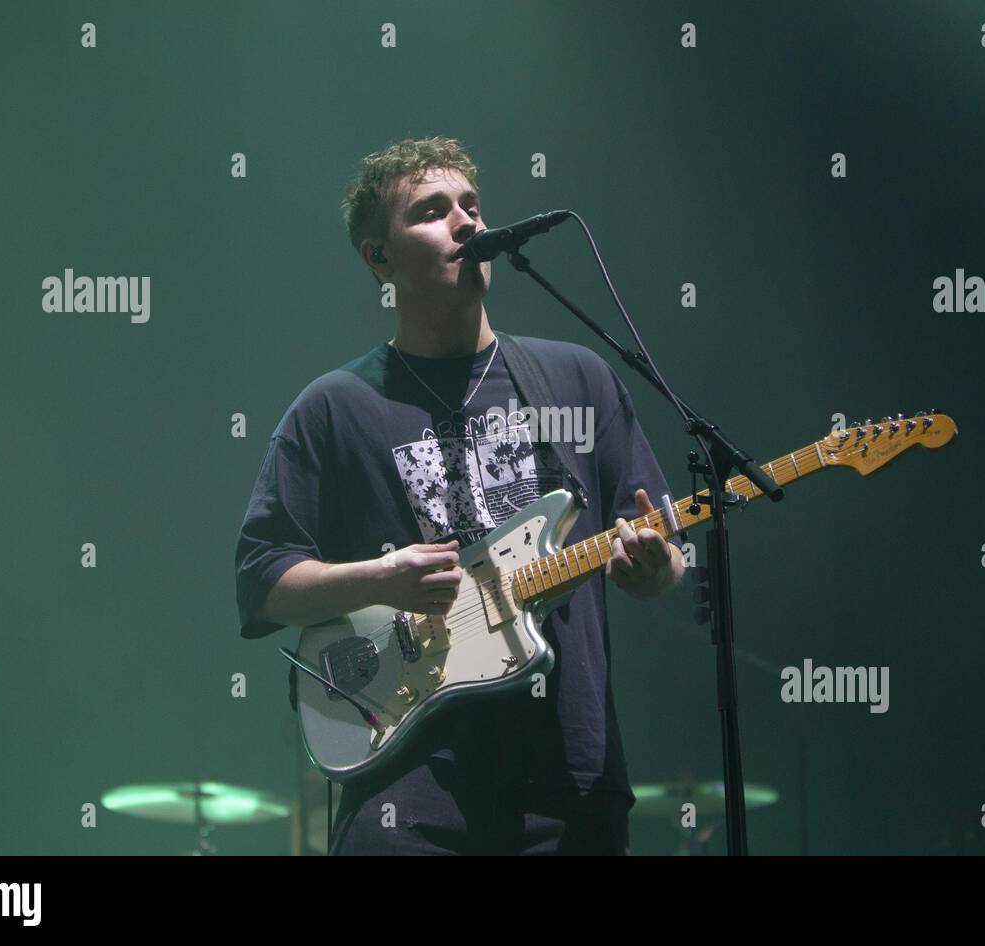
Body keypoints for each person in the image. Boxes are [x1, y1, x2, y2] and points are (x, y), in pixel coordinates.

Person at [235, 136, 685, 855]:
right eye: (433, 211)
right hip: (408, 785)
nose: (466, 223)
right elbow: (262, 583)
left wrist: (657, 568)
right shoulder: (335, 409)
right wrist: (382, 579)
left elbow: (660, 549)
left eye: (472, 206)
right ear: (379, 258)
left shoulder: (576, 381)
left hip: (567, 778)